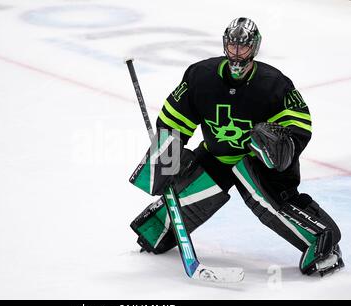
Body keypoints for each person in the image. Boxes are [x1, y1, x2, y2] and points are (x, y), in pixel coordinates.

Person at [129, 17, 344, 276]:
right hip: (217, 155)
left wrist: (280, 146)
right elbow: (174, 122)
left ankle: (324, 241)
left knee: (268, 200)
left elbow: (299, 126)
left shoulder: (274, 84)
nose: (237, 53)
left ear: (254, 47)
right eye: (232, 46)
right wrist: (166, 160)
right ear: (224, 45)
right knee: (189, 195)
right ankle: (155, 230)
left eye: (243, 47)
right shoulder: (201, 77)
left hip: (257, 162)